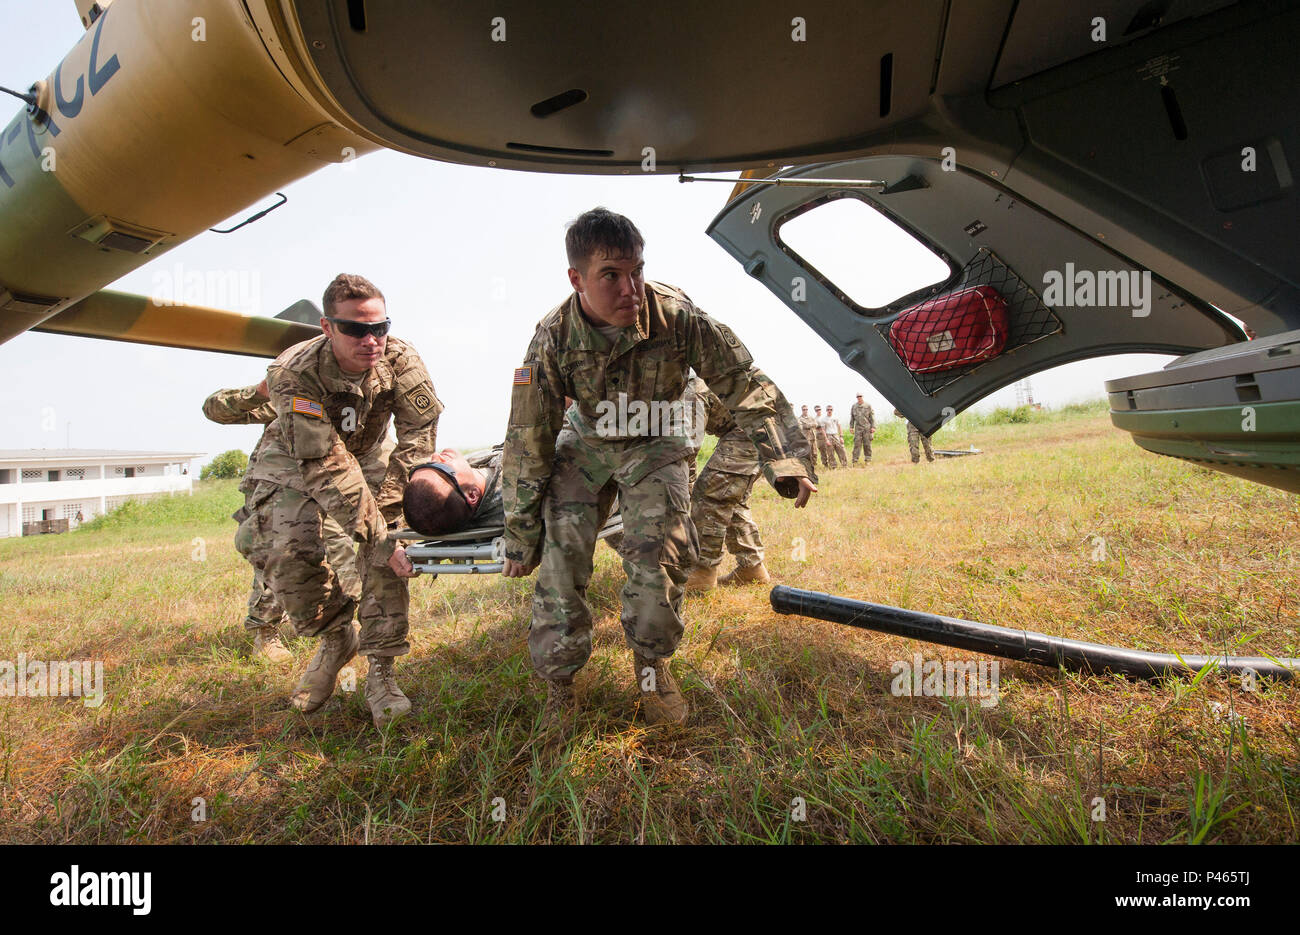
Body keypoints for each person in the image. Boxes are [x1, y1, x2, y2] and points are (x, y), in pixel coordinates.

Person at [500, 207, 816, 727]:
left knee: (660, 554)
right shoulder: (552, 338)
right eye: (611, 276)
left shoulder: (678, 317)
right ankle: (560, 683)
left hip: (657, 438)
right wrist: (519, 533)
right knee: (562, 560)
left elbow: (743, 381)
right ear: (577, 279)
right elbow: (528, 434)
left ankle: (652, 670)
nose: (630, 288)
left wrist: (785, 458)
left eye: (637, 270)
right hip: (588, 442)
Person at [235, 273, 441, 729]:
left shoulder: (400, 357)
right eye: (355, 330)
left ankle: (381, 672)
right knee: (279, 549)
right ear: (327, 328)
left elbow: (416, 441)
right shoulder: (294, 372)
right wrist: (374, 531)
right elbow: (324, 464)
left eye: (380, 327)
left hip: (368, 453)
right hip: (294, 457)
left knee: (388, 544)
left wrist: (386, 524)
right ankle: (334, 637)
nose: (371, 340)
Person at [203, 381, 377, 664]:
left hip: (328, 487)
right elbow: (215, 408)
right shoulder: (295, 390)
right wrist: (259, 393)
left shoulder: (357, 399)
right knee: (278, 555)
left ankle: (339, 624)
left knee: (342, 556)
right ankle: (264, 630)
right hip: (280, 487)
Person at [683, 376, 772, 592]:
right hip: (766, 433)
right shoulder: (695, 384)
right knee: (730, 500)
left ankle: (702, 573)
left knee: (711, 497)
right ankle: (752, 569)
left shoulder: (690, 390)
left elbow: (686, 448)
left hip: (751, 434)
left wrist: (686, 489)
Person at [849, 394, 875, 465]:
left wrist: (873, 427)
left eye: (860, 396)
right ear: (856, 398)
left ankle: (868, 460)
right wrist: (851, 427)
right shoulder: (854, 406)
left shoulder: (868, 406)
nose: (859, 398)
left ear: (862, 397)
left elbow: (872, 417)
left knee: (867, 444)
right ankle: (855, 461)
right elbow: (852, 418)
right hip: (858, 429)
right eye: (858, 397)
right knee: (857, 445)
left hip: (867, 428)